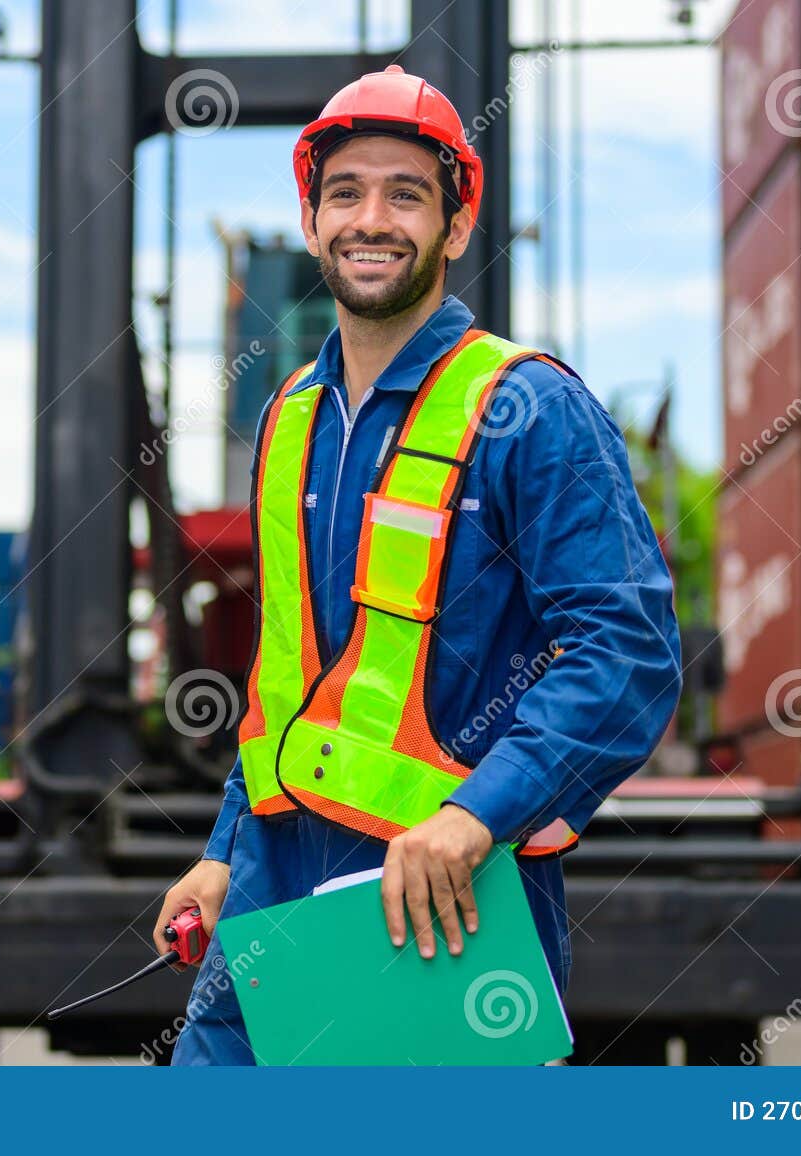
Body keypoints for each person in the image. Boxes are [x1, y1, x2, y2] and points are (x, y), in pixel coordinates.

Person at [158, 65, 681, 1065]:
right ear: (311, 221)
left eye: (406, 194)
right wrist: (224, 851)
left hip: (441, 900)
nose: (372, 219)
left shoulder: (529, 408)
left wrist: (475, 815)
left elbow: (627, 653)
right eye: (345, 193)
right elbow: (288, 681)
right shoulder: (289, 421)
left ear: (455, 226)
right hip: (271, 887)